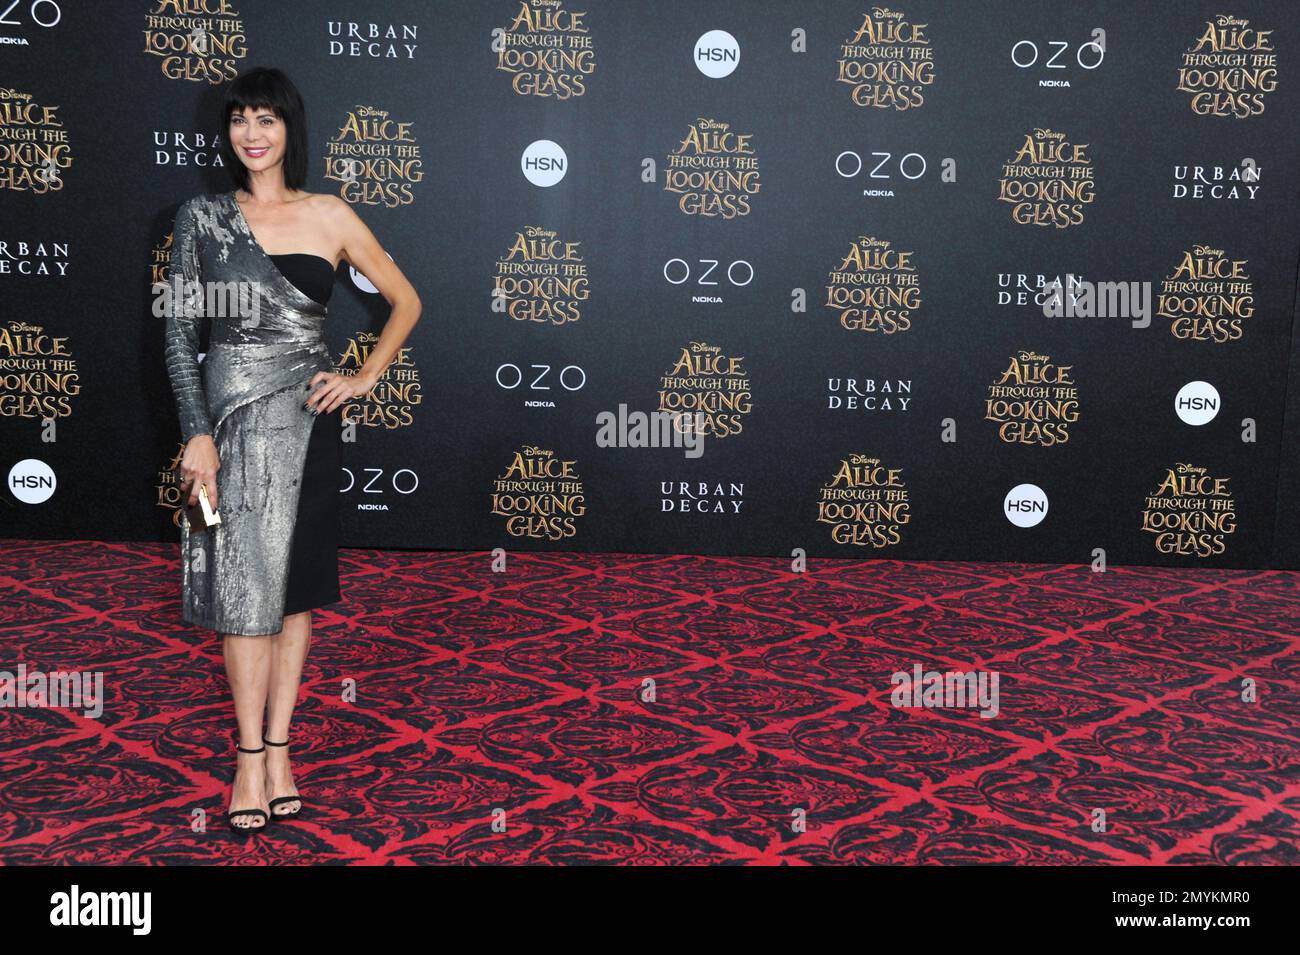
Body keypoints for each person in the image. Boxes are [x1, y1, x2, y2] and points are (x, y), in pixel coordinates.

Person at [163, 67, 422, 836]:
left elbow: (406, 300)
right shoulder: (202, 218)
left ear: (289, 130)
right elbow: (180, 334)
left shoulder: (330, 214)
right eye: (240, 119)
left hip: (308, 425)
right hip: (229, 433)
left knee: (294, 595)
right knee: (244, 600)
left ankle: (281, 750)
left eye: (266, 119)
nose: (252, 133)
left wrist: (366, 376)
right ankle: (248, 760)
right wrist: (197, 430)